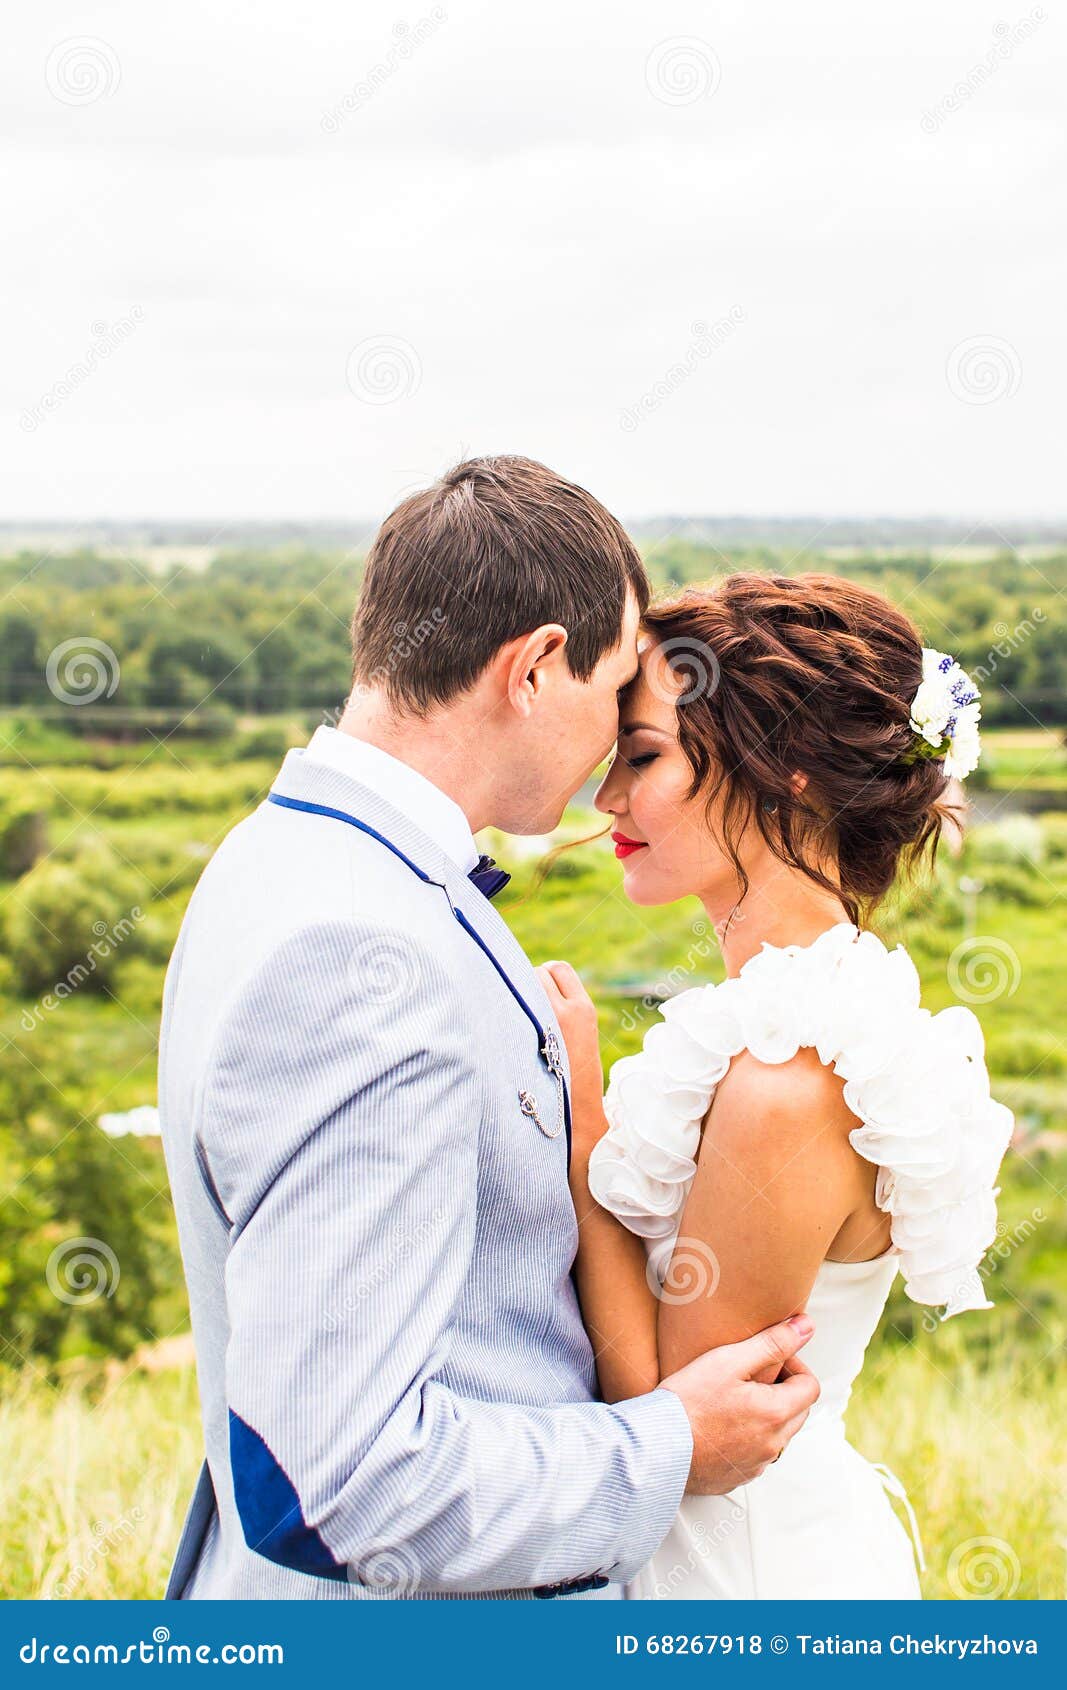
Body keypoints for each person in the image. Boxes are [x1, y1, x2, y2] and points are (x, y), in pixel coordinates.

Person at [159, 459, 819, 1601]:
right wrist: (669, 1444)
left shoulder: (285, 858)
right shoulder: (360, 959)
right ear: (533, 667)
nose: (615, 752)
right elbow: (340, 1479)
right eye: (616, 693)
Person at [539, 574, 1013, 1600]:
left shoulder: (791, 1082)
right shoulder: (788, 1023)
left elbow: (674, 1421)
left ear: (785, 771)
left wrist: (578, 1120)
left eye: (644, 758)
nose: (606, 801)